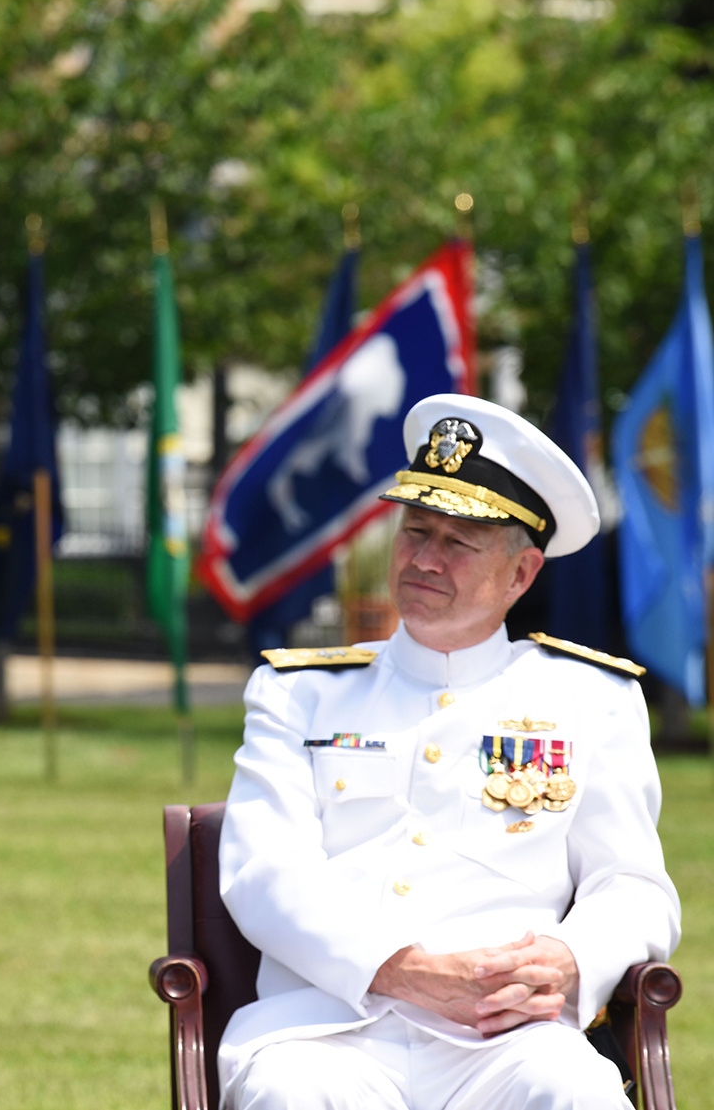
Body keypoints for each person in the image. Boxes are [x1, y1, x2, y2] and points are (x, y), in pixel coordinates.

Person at [218, 393, 680, 1110]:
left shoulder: (592, 698)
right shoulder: (298, 693)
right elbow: (263, 872)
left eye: (458, 543)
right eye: (415, 531)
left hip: (509, 1035)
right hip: (330, 1029)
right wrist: (401, 968)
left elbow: (633, 887)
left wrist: (571, 959)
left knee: (576, 1092)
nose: (424, 559)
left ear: (521, 574)